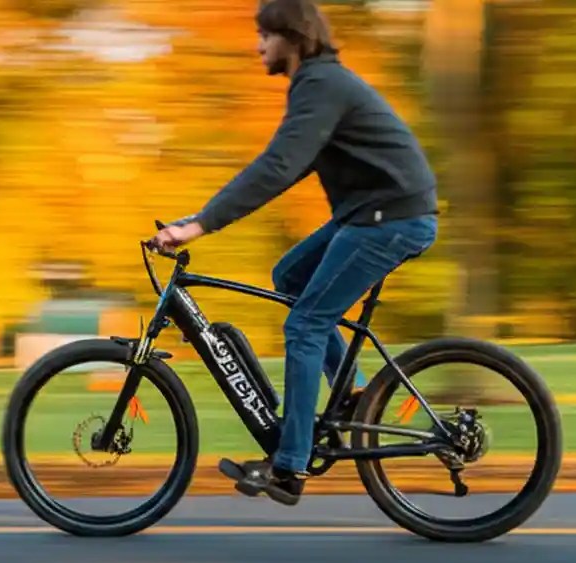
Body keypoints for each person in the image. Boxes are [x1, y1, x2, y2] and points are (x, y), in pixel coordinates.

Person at [152, 0, 439, 506]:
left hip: (390, 219)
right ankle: (352, 395)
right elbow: (289, 164)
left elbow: (277, 166)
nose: (258, 44)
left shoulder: (321, 86)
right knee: (290, 275)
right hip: (372, 214)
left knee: (305, 326)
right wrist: (209, 215)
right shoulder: (318, 87)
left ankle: (290, 465)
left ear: (292, 36)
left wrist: (199, 224)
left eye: (264, 34)